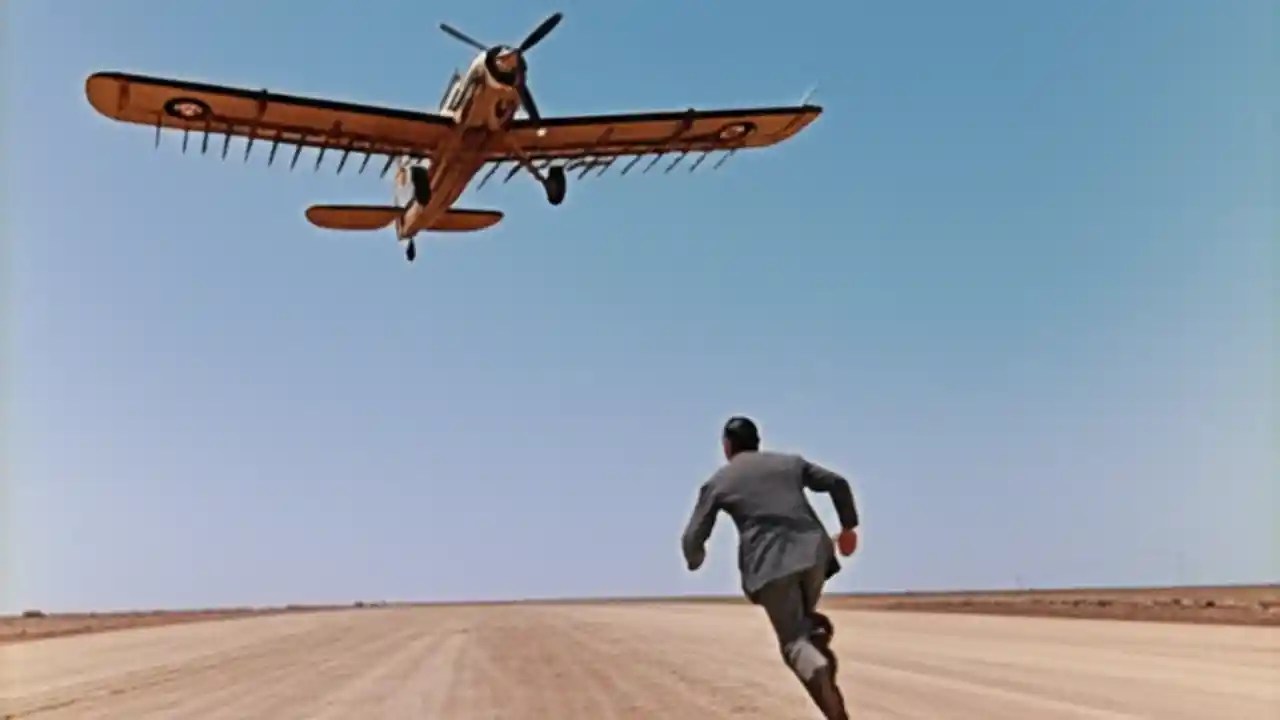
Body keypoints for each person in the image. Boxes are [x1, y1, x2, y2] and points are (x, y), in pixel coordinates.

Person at [681, 415, 859, 720]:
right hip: (814, 553)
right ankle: (816, 644)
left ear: (727, 446)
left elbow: (692, 538)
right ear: (757, 442)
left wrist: (695, 558)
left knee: (793, 643)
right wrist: (848, 528)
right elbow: (837, 483)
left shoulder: (719, 481)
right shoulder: (789, 463)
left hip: (770, 565)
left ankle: (817, 666)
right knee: (804, 624)